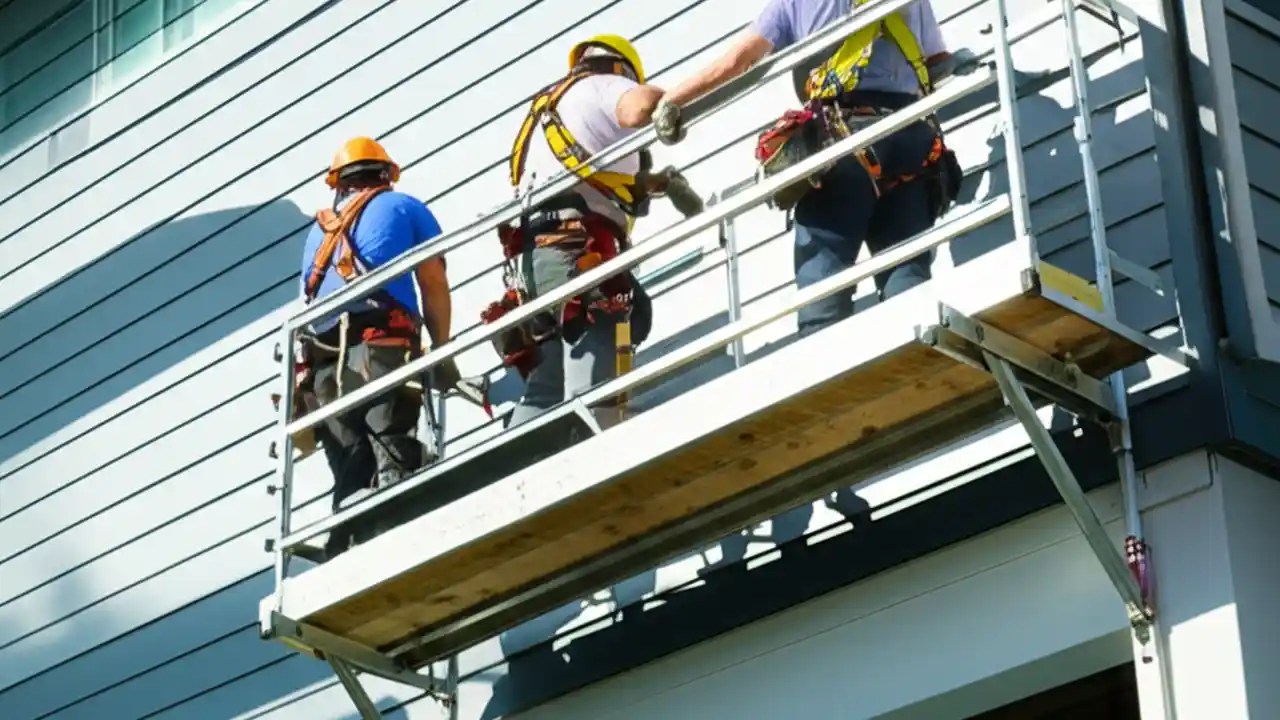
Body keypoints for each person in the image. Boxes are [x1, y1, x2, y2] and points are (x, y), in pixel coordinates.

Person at [652, 0, 962, 337]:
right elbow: (937, 62)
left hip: (844, 141)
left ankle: (824, 345)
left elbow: (739, 62)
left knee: (823, 274)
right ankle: (918, 352)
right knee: (908, 275)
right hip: (909, 138)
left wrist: (672, 102)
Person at [481, 33, 703, 430]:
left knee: (546, 385)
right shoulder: (604, 85)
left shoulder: (550, 110)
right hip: (577, 254)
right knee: (595, 367)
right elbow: (639, 108)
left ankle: (524, 458)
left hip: (534, 264)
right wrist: (670, 102)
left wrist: (660, 183)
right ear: (623, 70)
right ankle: (597, 443)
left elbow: (591, 179)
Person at [294, 136, 461, 559]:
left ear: (338, 183)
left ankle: (345, 552)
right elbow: (433, 283)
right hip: (379, 348)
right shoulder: (403, 206)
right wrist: (443, 351)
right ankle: (397, 547)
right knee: (392, 448)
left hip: (324, 364)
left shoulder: (318, 232)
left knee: (351, 465)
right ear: (387, 174)